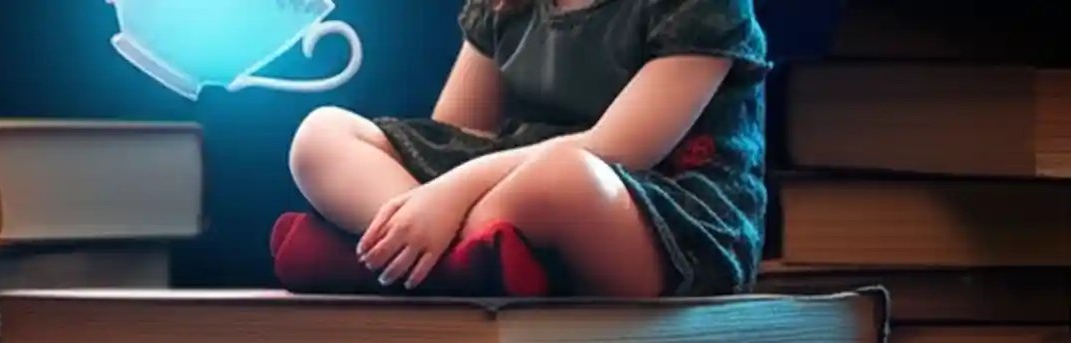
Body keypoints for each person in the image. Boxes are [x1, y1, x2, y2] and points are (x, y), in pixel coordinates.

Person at [271, 0, 770, 298]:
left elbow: (620, 148)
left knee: (564, 175)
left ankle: (404, 258)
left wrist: (451, 193)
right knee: (321, 134)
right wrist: (433, 195)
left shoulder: (702, 7)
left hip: (659, 213)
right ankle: (447, 261)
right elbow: (456, 132)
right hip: (507, 193)